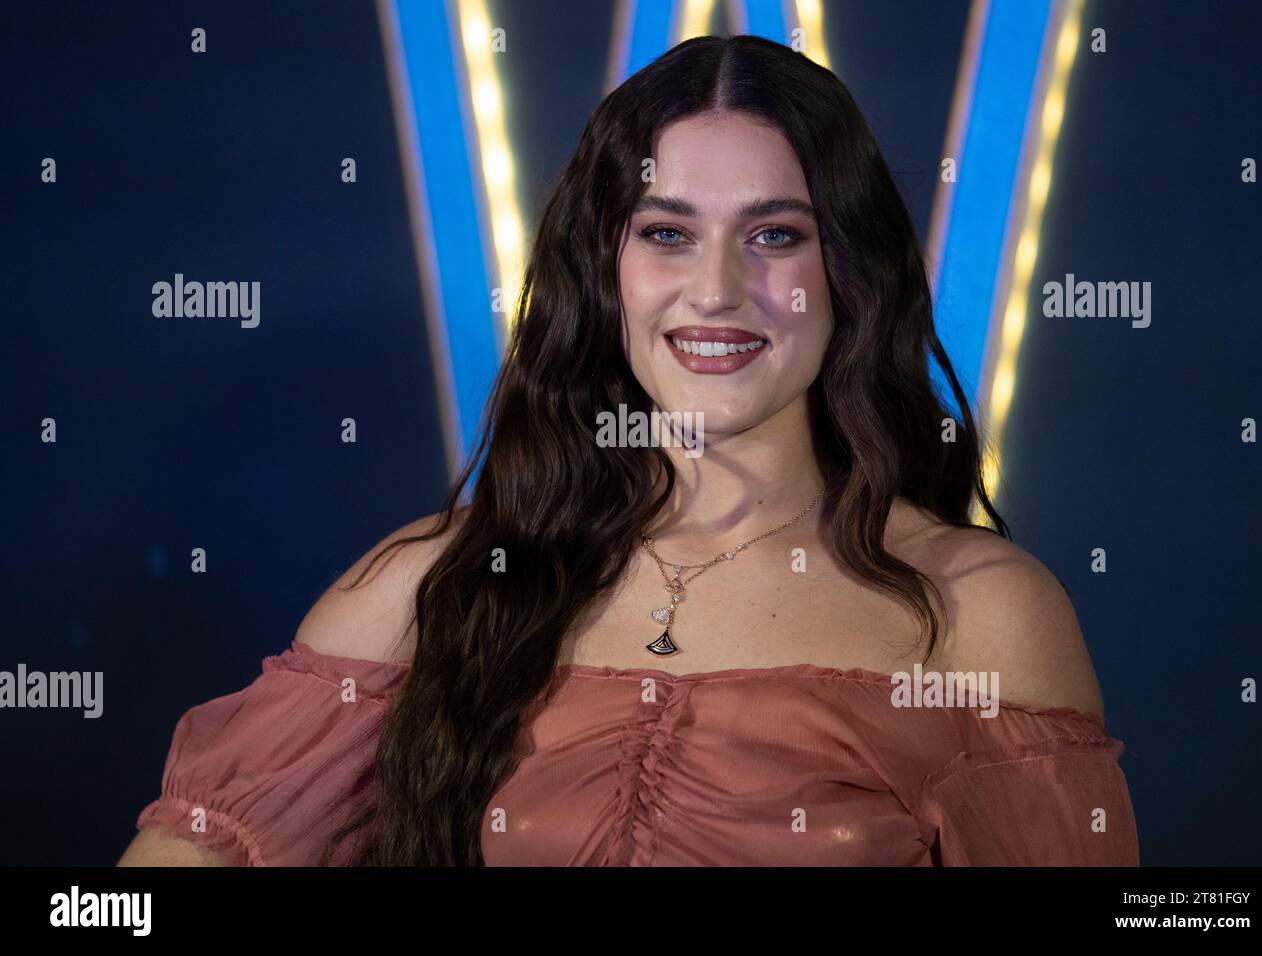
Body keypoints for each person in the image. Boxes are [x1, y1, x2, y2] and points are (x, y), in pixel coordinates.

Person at [118, 34, 1139, 867]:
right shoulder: (433, 582)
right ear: (604, 271)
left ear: (846, 271)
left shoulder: (978, 613)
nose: (716, 289)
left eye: (774, 234)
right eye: (666, 232)